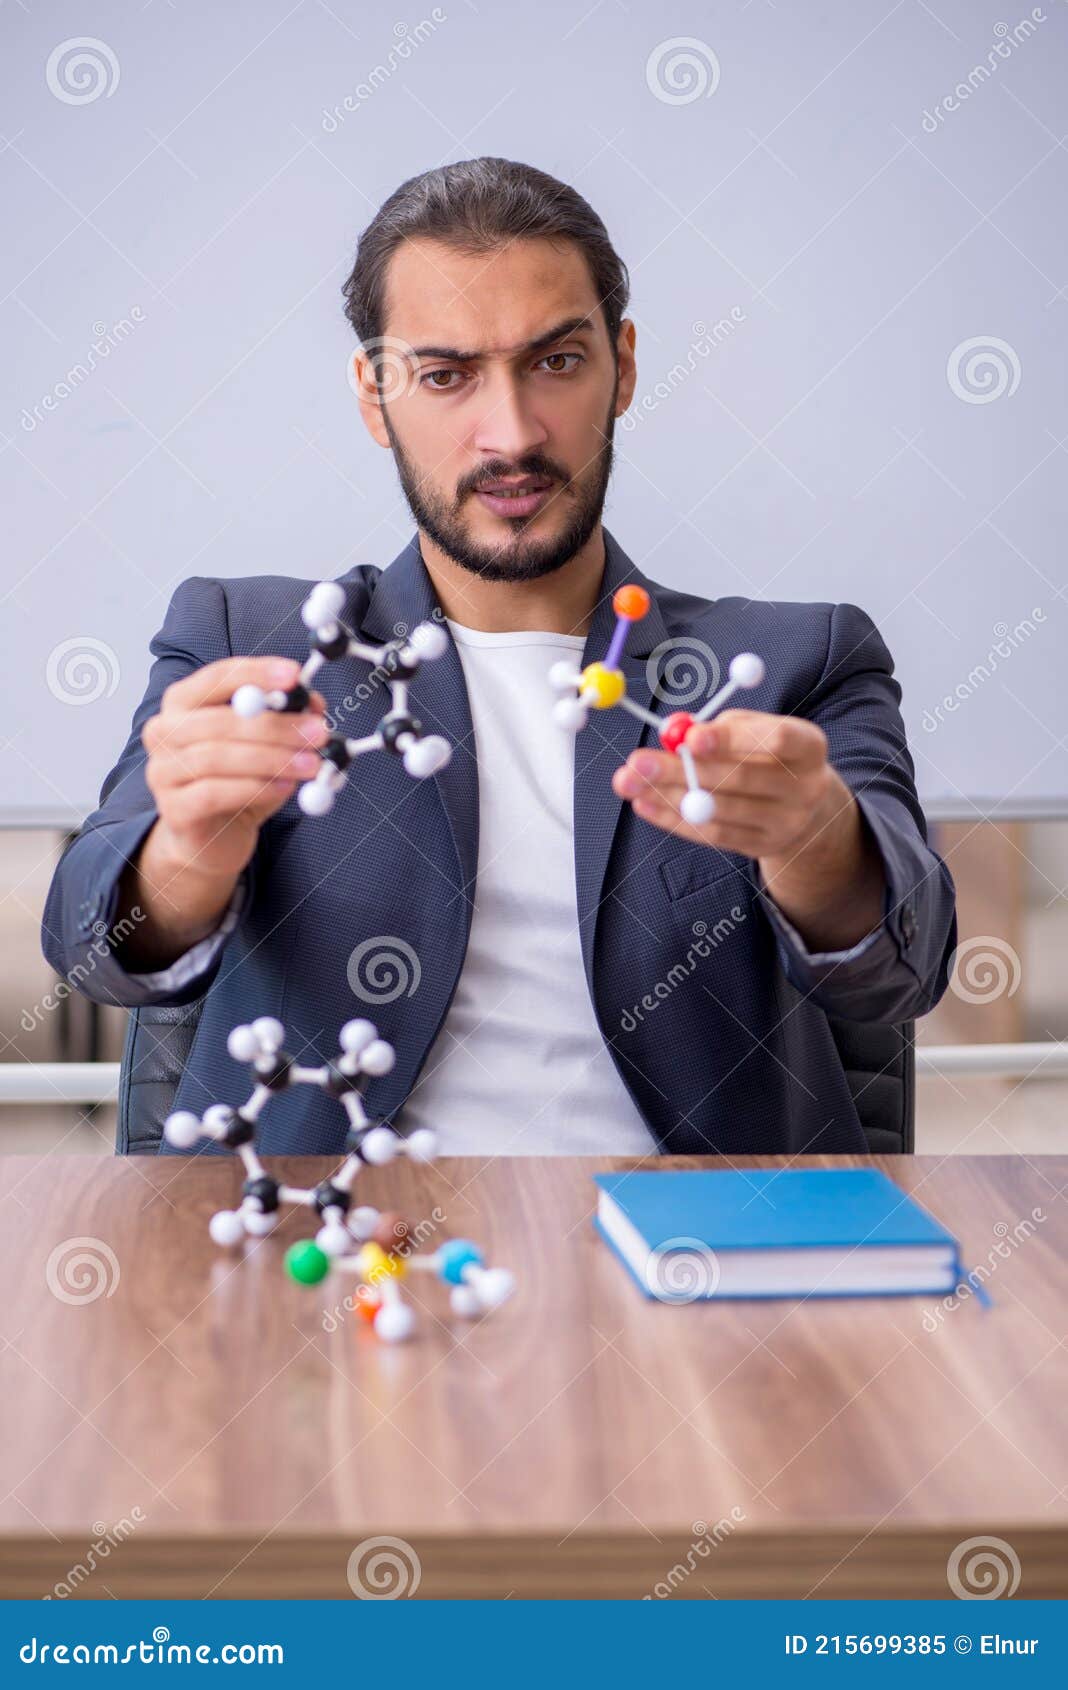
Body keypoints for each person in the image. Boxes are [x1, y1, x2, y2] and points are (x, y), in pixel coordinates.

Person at [41, 157, 956, 1158]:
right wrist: (183, 859)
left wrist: (819, 842)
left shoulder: (794, 663)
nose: (512, 433)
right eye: (446, 375)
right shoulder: (253, 647)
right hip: (337, 1259)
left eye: (557, 362)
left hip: (689, 1266)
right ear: (374, 393)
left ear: (625, 365)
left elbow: (905, 971)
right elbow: (92, 951)